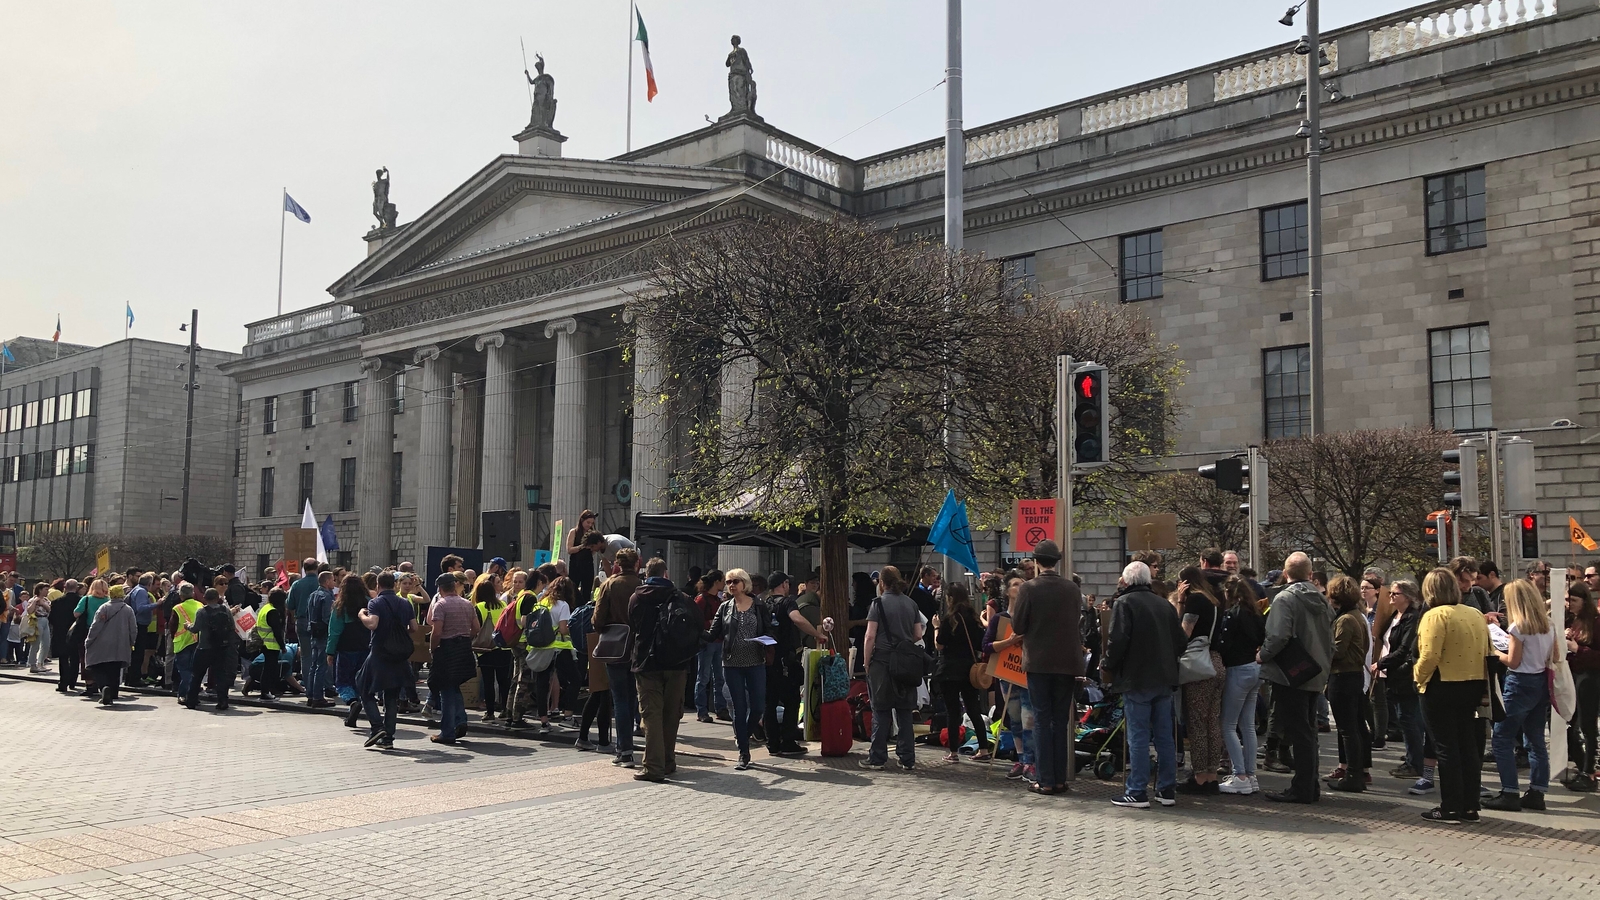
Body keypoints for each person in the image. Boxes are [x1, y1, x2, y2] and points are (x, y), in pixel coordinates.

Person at [995, 540, 1081, 793]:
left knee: (1042, 719)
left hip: (1039, 661)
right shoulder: (1072, 588)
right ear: (1057, 561)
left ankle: (1045, 780)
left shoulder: (1029, 589)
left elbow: (1019, 625)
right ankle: (1060, 778)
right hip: (1067, 662)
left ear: (1036, 561)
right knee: (1060, 720)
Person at [1103, 561, 1185, 808]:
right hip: (1164, 677)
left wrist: (1108, 664)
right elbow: (1181, 642)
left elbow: (1117, 639)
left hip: (1136, 677)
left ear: (1126, 580)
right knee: (1164, 736)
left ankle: (1137, 790)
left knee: (1138, 736)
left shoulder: (1124, 603)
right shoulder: (1164, 605)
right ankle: (1166, 789)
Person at [1413, 566, 1491, 823]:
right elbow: (1488, 649)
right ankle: (1470, 806)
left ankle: (1450, 807)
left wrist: (1417, 677)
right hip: (1472, 684)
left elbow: (1429, 655)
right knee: (1468, 745)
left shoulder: (1434, 615)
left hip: (1442, 684)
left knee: (1445, 747)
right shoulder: (1475, 614)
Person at [1259, 551, 1335, 805]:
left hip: (1290, 673)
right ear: (1310, 574)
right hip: (1316, 671)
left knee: (1298, 731)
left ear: (1285, 573)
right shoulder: (1322, 600)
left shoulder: (1285, 599)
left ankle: (1302, 787)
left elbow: (1278, 635)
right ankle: (1310, 785)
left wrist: (1262, 655)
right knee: (1308, 732)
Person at [1482, 579, 1554, 811]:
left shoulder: (1518, 627)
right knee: (1535, 739)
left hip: (1520, 681)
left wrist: (1493, 650)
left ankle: (1510, 791)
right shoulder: (1548, 624)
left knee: (1502, 737)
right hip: (1540, 680)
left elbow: (1513, 661)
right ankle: (1537, 792)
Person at [628, 557, 693, 782]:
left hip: (647, 662)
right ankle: (668, 761)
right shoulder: (682, 597)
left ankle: (653, 767)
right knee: (672, 714)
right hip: (677, 663)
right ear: (666, 574)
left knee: (651, 714)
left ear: (647, 574)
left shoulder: (637, 598)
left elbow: (633, 626)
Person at [860, 565, 926, 772]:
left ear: (881, 583)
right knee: (905, 711)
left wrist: (866, 662)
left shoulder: (877, 604)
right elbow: (918, 634)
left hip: (883, 661)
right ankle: (907, 758)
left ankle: (877, 758)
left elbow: (870, 636)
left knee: (881, 710)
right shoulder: (911, 603)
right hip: (905, 663)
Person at [705, 568, 770, 770]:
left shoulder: (759, 605)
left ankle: (744, 734)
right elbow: (713, 633)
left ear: (744, 583)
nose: (731, 585)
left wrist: (766, 640)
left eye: (735, 581)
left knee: (758, 707)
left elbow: (770, 629)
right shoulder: (725, 607)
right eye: (728, 582)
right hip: (732, 664)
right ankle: (743, 752)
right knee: (739, 708)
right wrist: (694, 630)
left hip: (755, 662)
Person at [1171, 561, 1225, 795]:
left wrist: (1180, 603)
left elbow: (1183, 633)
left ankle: (1200, 776)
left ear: (1184, 582)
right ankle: (1212, 775)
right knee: (1212, 722)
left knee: (1197, 724)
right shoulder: (1214, 601)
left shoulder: (1195, 600)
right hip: (1216, 661)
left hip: (1199, 666)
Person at [1376, 580, 1432, 789]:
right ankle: (1412, 758)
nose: (1391, 597)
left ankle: (1415, 763)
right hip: (1392, 674)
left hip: (1404, 675)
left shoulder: (1412, 618)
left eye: (1395, 594)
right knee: (1405, 718)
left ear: (1407, 597)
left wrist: (1381, 663)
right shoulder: (1394, 616)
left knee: (1409, 719)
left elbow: (1405, 649)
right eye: (1390, 593)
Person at [764, 570, 826, 757]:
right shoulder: (787, 602)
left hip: (768, 658)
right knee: (792, 700)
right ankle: (788, 742)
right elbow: (797, 619)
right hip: (786, 659)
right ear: (783, 584)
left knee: (770, 702)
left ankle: (772, 742)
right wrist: (817, 634)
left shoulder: (763, 603)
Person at [933, 581, 993, 765]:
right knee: (973, 709)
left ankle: (953, 753)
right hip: (969, 669)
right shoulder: (973, 619)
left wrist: (936, 627)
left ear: (950, 598)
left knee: (953, 712)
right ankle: (983, 749)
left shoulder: (949, 619)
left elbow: (939, 645)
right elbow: (980, 644)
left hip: (949, 669)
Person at [356, 571, 418, 750]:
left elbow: (372, 624)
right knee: (392, 695)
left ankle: (377, 727)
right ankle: (388, 738)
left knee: (363, 687)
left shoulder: (375, 602)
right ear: (395, 584)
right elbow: (414, 627)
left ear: (378, 585)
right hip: (399, 655)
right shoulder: (405, 603)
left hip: (379, 652)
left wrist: (361, 615)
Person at [593, 548, 641, 767]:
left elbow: (598, 620)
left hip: (615, 647)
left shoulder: (609, 585)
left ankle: (625, 750)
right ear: (637, 564)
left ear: (617, 564)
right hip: (638, 647)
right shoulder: (642, 585)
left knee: (620, 698)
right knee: (632, 697)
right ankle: (627, 745)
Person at [1218, 575, 1265, 794]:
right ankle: (1251, 774)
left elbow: (1225, 645)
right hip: (1254, 667)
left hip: (1237, 669)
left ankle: (1240, 775)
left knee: (1228, 725)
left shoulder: (1232, 614)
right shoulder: (1255, 613)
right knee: (1248, 725)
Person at [1325, 575, 1372, 792]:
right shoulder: (1358, 616)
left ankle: (1352, 774)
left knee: (1347, 728)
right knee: (1354, 726)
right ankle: (1357, 772)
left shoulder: (1345, 619)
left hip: (1343, 676)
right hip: (1354, 676)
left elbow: (1338, 651)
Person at [426, 573, 477, 745]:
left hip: (447, 649)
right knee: (454, 686)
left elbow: (437, 632)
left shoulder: (441, 605)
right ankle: (460, 720)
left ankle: (447, 732)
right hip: (464, 648)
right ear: (454, 586)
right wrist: (466, 638)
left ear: (440, 588)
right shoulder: (467, 604)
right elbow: (476, 627)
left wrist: (433, 649)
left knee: (446, 690)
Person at [1562, 582, 1600, 792]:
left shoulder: (1595, 622)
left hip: (1590, 678)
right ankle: (1583, 765)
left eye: (1573, 600)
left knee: (1587, 726)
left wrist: (1577, 649)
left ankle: (1589, 772)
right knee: (1569, 724)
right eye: (1567, 600)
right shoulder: (1573, 620)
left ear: (1584, 601)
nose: (1569, 604)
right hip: (1574, 675)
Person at [82, 579, 136, 707]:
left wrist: (89, 640)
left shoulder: (104, 608)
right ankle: (113, 693)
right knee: (115, 669)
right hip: (121, 644)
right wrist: (131, 642)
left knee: (98, 667)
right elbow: (133, 628)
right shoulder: (128, 609)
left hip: (102, 643)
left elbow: (95, 626)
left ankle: (103, 687)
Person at [183, 588, 239, 710]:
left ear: (205, 598)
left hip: (204, 647)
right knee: (221, 675)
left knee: (197, 675)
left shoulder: (202, 612)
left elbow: (195, 629)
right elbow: (232, 627)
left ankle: (191, 700)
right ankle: (223, 701)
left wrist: (187, 626)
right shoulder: (225, 610)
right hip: (221, 647)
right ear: (217, 598)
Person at [327, 575, 371, 727]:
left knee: (342, 681)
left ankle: (352, 702)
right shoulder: (369, 603)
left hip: (346, 647)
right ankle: (356, 702)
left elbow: (334, 632)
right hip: (365, 646)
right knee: (359, 679)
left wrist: (330, 652)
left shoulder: (340, 606)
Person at [692, 570, 731, 724]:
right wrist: (710, 623)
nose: (724, 584)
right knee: (703, 677)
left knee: (719, 677)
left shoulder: (717, 599)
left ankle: (720, 708)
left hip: (718, 641)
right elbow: (695, 620)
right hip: (707, 642)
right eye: (723, 580)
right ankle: (702, 711)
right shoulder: (702, 599)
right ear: (716, 582)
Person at [472, 577, 513, 723]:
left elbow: (476, 628)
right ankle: (505, 709)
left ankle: (489, 712)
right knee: (504, 681)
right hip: (504, 647)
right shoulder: (503, 604)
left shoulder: (480, 607)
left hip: (485, 649)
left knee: (488, 681)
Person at [303, 570, 335, 707]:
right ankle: (318, 697)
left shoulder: (313, 595)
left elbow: (308, 613)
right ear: (327, 581)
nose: (334, 582)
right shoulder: (326, 596)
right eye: (332, 580)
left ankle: (311, 695)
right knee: (321, 666)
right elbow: (327, 617)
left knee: (314, 665)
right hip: (323, 634)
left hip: (314, 632)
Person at [167, 583, 203, 698]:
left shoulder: (177, 608)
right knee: (194, 670)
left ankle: (184, 694)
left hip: (182, 643)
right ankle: (192, 694)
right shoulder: (200, 605)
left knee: (184, 670)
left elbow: (172, 626)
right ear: (193, 593)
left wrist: (174, 637)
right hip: (198, 641)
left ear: (180, 595)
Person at [251, 588, 287, 701]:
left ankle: (266, 692)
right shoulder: (273, 611)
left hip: (264, 642)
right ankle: (265, 693)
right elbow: (277, 631)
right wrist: (283, 646)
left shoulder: (266, 608)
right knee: (269, 670)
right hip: (271, 644)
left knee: (267, 669)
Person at [24, 582, 53, 673]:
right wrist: (35, 602)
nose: (47, 591)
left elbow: (49, 609)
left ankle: (41, 663)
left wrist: (43, 603)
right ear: (40, 590)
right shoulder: (33, 599)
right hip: (37, 620)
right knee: (35, 643)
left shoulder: (46, 600)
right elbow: (29, 611)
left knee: (46, 643)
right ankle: (32, 664)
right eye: (45, 589)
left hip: (45, 620)